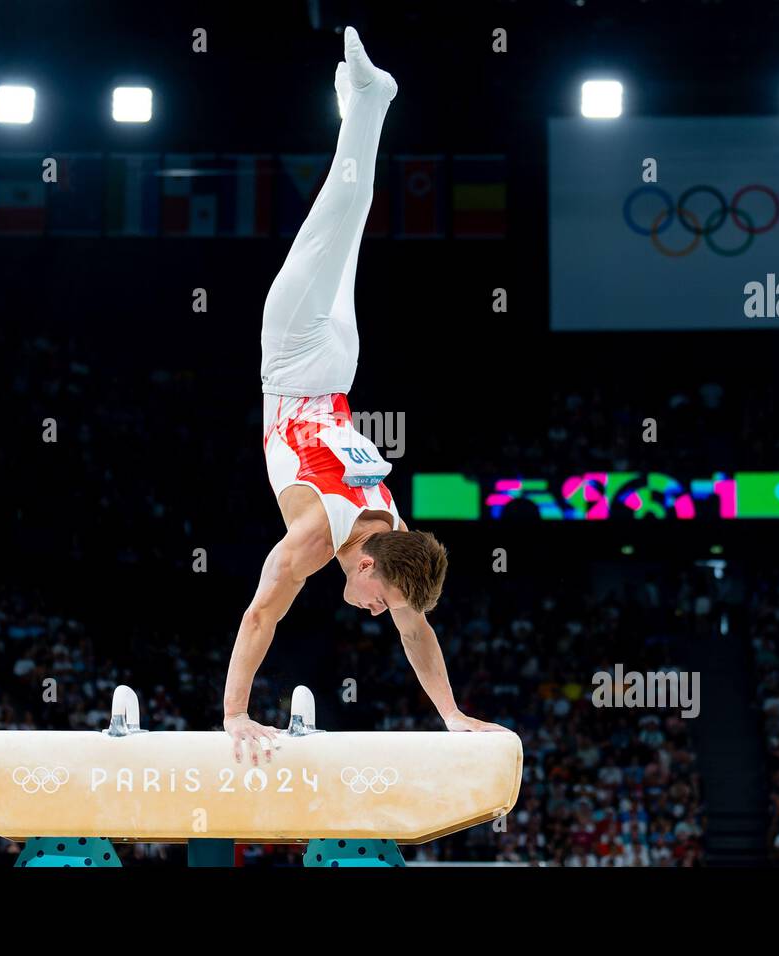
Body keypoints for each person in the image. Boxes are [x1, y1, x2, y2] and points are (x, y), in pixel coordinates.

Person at [222, 28, 508, 763]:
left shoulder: (394, 529)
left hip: (339, 366)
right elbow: (260, 616)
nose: (378, 611)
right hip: (292, 361)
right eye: (379, 597)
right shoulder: (319, 538)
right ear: (369, 565)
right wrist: (234, 717)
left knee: (345, 226)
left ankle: (360, 104)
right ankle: (371, 100)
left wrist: (451, 716)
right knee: (337, 222)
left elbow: (418, 628)